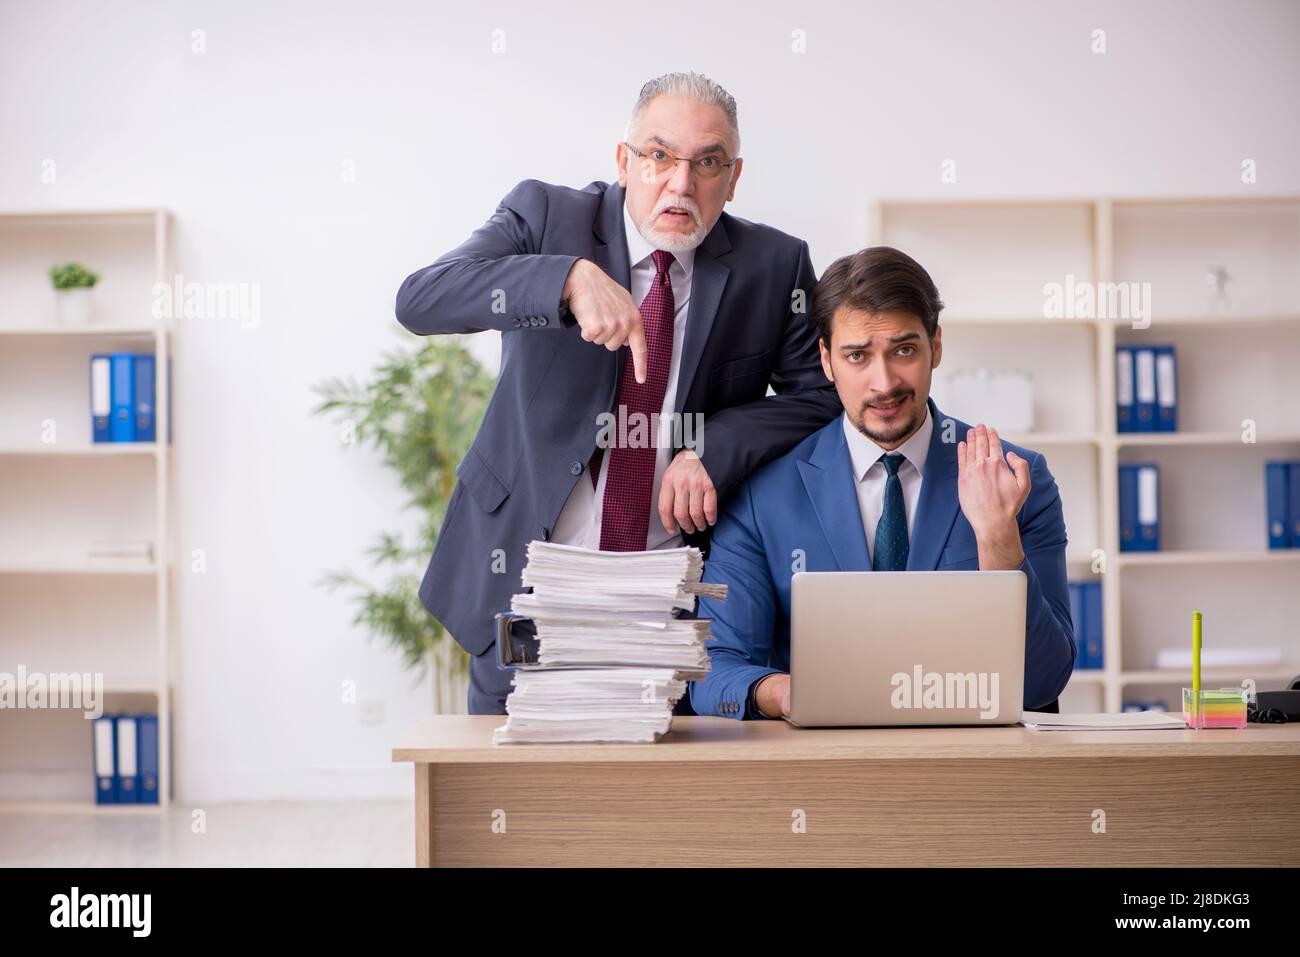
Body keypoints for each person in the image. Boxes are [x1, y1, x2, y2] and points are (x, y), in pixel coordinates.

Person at [395, 72, 841, 714]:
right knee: (516, 796)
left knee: (658, 801)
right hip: (526, 581)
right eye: (658, 155)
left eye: (706, 162)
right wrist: (566, 279)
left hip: (669, 590)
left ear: (733, 176)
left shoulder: (774, 264)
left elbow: (820, 397)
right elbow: (421, 297)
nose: (680, 183)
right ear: (623, 161)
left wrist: (711, 448)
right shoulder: (547, 217)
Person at [689, 246, 1076, 719]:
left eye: (904, 350)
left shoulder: (1017, 476)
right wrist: (787, 692)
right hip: (824, 771)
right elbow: (713, 671)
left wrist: (998, 540)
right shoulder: (760, 494)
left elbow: (1042, 683)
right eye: (857, 356)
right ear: (827, 362)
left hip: (970, 772)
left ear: (936, 346)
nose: (884, 382)